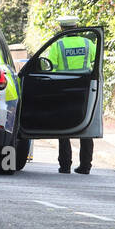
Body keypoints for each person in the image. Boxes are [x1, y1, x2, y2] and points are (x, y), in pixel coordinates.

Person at [44, 30, 96, 174]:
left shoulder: (58, 45)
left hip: (64, 88)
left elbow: (50, 67)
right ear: (76, 27)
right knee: (86, 126)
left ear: (62, 29)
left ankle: (65, 165)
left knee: (64, 126)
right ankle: (86, 165)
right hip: (85, 88)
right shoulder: (88, 43)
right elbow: (95, 60)